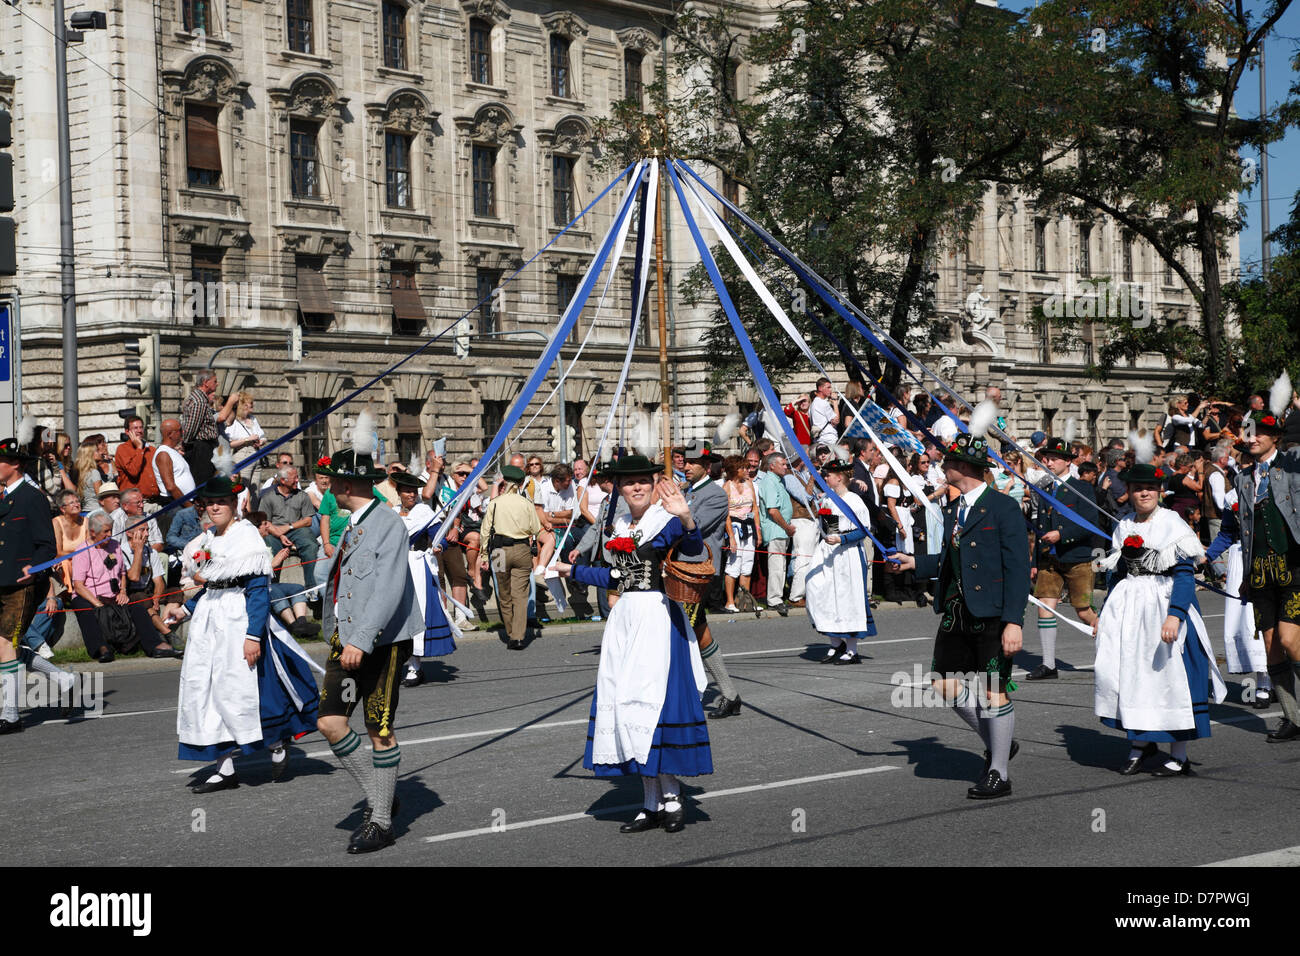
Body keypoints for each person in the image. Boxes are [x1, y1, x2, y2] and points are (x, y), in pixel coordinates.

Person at [553, 455, 712, 833]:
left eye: (643, 480)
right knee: (626, 707)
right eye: (629, 483)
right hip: (625, 620)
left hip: (658, 616)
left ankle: (673, 799)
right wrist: (570, 569)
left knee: (656, 705)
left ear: (654, 483)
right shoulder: (621, 523)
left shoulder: (667, 520)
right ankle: (649, 802)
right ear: (619, 489)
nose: (637, 487)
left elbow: (694, 551)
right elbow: (615, 575)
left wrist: (687, 518)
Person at [889, 424, 1030, 800]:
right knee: (943, 683)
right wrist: (913, 563)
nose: (943, 465)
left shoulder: (1003, 507)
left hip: (993, 613)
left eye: (948, 461)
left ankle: (999, 771)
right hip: (957, 610)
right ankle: (998, 742)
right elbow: (955, 559)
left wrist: (1014, 621)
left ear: (964, 467)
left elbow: (1017, 568)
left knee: (993, 689)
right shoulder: (954, 508)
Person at [162, 476, 320, 792]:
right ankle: (225, 768)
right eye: (210, 503)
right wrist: (185, 611)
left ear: (235, 505)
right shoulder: (208, 539)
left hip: (238, 620)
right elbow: (210, 587)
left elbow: (259, 592)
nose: (215, 507)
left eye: (221, 502)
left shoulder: (247, 538)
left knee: (242, 690)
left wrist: (253, 636)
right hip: (209, 621)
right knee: (206, 690)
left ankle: (276, 743)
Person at [312, 443, 424, 853]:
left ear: (344, 483)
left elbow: (389, 589)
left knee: (379, 728)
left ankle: (381, 822)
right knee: (330, 722)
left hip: (381, 641)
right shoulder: (356, 521)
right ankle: (383, 793)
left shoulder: (387, 524)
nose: (327, 485)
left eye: (331, 480)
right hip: (348, 638)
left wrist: (361, 639)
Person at [1093, 457, 1226, 774]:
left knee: (1169, 678)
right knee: (1133, 674)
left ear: (1159, 491)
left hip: (1163, 605)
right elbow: (1118, 573)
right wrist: (1104, 613)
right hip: (1131, 607)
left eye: (1150, 488)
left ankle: (1179, 755)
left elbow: (1184, 575)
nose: (1144, 494)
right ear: (1130, 491)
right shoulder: (1124, 525)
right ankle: (1140, 743)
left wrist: (1175, 616)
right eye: (1138, 489)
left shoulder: (1172, 524)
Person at [1233, 402, 1300, 742]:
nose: (1252, 437)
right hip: (1259, 571)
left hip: (1293, 566)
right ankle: (1293, 718)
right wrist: (1242, 572)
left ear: (1275, 437)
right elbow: (1241, 528)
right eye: (1249, 433)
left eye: (1260, 432)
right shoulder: (1242, 477)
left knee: (1291, 641)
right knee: (1272, 645)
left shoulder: (1292, 466)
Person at [0, 439, 60, 734]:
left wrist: (32, 568)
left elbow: (47, 545)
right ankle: (61, 678)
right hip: (1, 582)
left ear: (14, 465)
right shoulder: (4, 497)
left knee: (4, 644)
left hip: (20, 585)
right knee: (3, 647)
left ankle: (10, 715)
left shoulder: (32, 497)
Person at [679, 440, 743, 718]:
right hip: (679, 571)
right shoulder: (688, 492)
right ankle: (728, 694)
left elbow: (690, 526)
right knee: (696, 630)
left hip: (698, 572)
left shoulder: (715, 495)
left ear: (706, 466)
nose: (686, 466)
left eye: (692, 463)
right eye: (685, 461)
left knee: (686, 630)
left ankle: (706, 692)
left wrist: (671, 508)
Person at [1028, 436, 1100, 680]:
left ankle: (1109, 652)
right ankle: (1049, 664)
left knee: (1083, 611)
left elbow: (1091, 524)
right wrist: (1035, 563)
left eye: (1053, 458)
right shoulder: (1047, 488)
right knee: (1045, 607)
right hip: (1050, 559)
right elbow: (1040, 525)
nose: (1047, 462)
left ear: (1068, 461)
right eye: (1046, 458)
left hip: (1077, 558)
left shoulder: (1082, 488)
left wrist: (1062, 535)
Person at [806, 460, 877, 664]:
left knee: (848, 598)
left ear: (839, 477)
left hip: (849, 555)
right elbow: (830, 528)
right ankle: (836, 643)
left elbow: (863, 529)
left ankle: (852, 649)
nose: (825, 478)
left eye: (828, 475)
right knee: (822, 592)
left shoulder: (854, 500)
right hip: (830, 553)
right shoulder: (829, 499)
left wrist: (841, 539)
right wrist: (828, 530)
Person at [390, 471, 457, 687]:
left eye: (413, 490)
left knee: (416, 613)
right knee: (395, 616)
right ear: (398, 492)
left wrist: (439, 546)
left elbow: (441, 536)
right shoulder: (391, 513)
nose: (411, 494)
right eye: (407, 491)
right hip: (395, 568)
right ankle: (398, 662)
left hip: (418, 567)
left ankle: (414, 666)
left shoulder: (424, 512)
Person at [1205, 503, 1271, 709]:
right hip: (1240, 560)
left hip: (1268, 556)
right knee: (1246, 623)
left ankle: (1268, 682)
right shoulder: (1232, 496)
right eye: (1241, 466)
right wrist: (1205, 556)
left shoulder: (1276, 484)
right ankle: (1264, 682)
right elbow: (1226, 534)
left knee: (1267, 619)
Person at [479, 465, 542, 650]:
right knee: (520, 596)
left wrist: (484, 555)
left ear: (503, 481)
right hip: (522, 549)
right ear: (521, 482)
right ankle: (518, 636)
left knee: (504, 594)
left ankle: (510, 632)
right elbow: (536, 529)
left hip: (499, 551)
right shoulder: (526, 504)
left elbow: (484, 532)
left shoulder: (495, 503)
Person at [258, 465, 321, 600]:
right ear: (283, 480)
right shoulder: (268, 497)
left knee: (310, 545)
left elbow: (308, 521)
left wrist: (289, 527)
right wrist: (280, 535)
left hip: (296, 529)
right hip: (274, 532)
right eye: (294, 478)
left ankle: (311, 588)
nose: (298, 480)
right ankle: (272, 588)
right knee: (270, 547)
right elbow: (265, 522)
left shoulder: (302, 496)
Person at [721, 454, 761, 613]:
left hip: (749, 528)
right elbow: (725, 514)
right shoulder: (727, 486)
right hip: (735, 527)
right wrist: (731, 537)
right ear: (734, 470)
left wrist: (758, 532)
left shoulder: (749, 484)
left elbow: (755, 509)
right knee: (733, 565)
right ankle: (729, 601)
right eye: (743, 468)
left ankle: (744, 601)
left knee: (747, 565)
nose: (747, 470)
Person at [756, 452, 794, 616]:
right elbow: (772, 510)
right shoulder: (770, 482)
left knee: (781, 565)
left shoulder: (777, 481)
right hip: (776, 529)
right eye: (783, 464)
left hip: (780, 529)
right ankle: (774, 600)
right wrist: (786, 527)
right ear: (772, 465)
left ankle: (777, 597)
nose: (786, 467)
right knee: (777, 566)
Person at [180, 369, 221, 488]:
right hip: (201, 450)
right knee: (202, 484)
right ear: (206, 382)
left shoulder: (200, 399)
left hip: (203, 448)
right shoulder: (199, 402)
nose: (217, 384)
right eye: (215, 381)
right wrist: (185, 444)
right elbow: (191, 429)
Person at [113, 415, 161, 506]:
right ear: (127, 431)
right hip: (135, 503)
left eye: (141, 427)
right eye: (135, 428)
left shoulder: (151, 450)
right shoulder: (122, 449)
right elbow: (133, 471)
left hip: (156, 500)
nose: (139, 431)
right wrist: (139, 448)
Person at [152, 419, 195, 507]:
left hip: (183, 502)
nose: (182, 432)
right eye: (179, 430)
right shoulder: (163, 454)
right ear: (170, 434)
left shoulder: (171, 451)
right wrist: (190, 507)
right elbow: (170, 486)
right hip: (175, 504)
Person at [220, 391, 266, 457]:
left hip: (256, 455)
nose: (252, 404)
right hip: (242, 456)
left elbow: (262, 437)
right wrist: (247, 440)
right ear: (242, 405)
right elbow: (228, 444)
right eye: (250, 403)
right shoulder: (233, 421)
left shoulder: (253, 418)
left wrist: (261, 441)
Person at [75, 436, 112, 511]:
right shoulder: (94, 472)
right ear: (90, 454)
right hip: (97, 511)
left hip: (86, 510)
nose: (101, 452)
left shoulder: (82, 472)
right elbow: (100, 496)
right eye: (97, 450)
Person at [809, 377, 840, 446]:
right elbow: (836, 420)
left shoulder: (813, 403)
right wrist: (835, 401)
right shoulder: (823, 403)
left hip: (820, 439)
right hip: (828, 438)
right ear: (820, 388)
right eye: (828, 387)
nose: (830, 390)